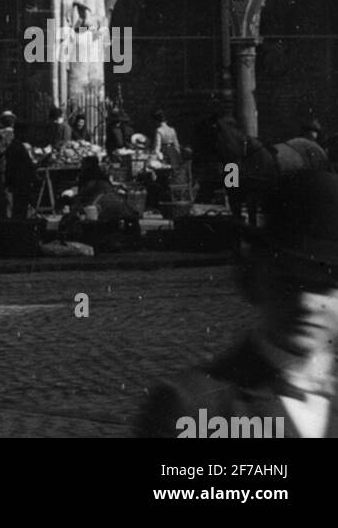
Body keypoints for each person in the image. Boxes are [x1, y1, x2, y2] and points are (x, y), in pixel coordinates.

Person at [137, 171, 338, 438]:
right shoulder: (194, 409)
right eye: (289, 282)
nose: (307, 303)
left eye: (324, 286)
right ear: (256, 280)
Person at [6, 122, 39, 222]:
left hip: (16, 182)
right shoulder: (18, 147)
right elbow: (27, 165)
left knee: (18, 207)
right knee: (20, 208)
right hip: (21, 182)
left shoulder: (14, 145)